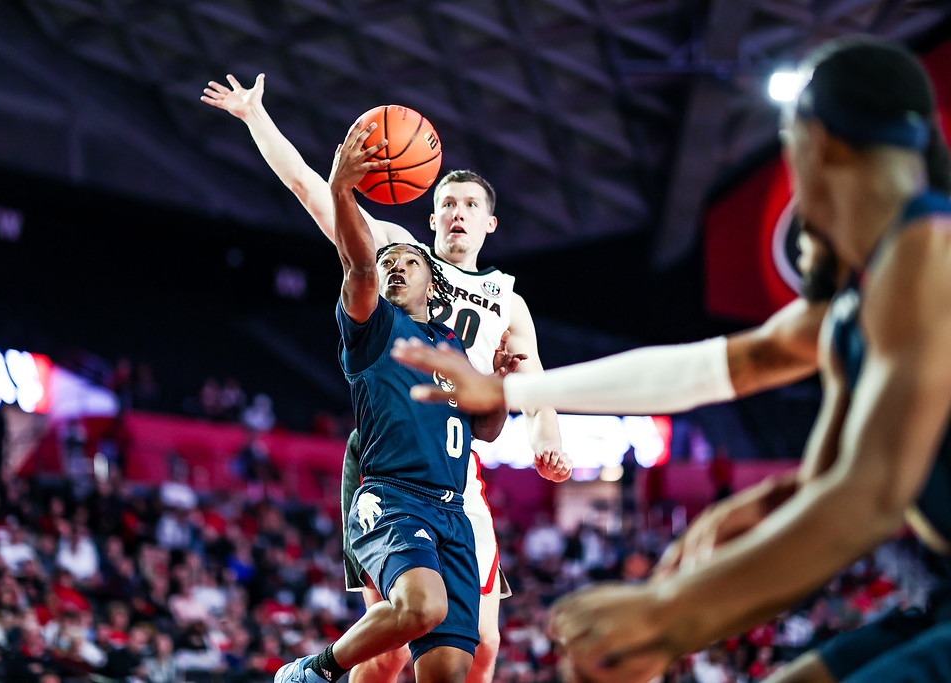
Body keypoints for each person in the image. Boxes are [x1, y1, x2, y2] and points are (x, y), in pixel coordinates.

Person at [399, 36, 951, 682]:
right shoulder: (860, 301)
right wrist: (507, 393)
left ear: (816, 143)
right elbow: (722, 380)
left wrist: (665, 614)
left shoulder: (928, 257)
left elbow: (866, 498)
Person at [202, 75, 571, 682]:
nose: (457, 213)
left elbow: (529, 381)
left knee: (480, 645)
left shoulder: (508, 302)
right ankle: (317, 673)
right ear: (428, 215)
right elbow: (312, 190)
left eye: (470, 206)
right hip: (390, 454)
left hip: (457, 468)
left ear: (490, 225)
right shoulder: (398, 256)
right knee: (392, 647)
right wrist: (255, 119)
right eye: (447, 204)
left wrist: (546, 440)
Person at [275, 116, 512, 683]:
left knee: (454, 669)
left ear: (433, 285)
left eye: (408, 262)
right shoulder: (373, 326)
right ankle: (315, 670)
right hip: (392, 497)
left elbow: (487, 430)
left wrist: (497, 389)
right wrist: (341, 189)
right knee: (418, 611)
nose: (396, 267)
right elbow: (357, 261)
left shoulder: (452, 349)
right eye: (389, 264)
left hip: (453, 510)